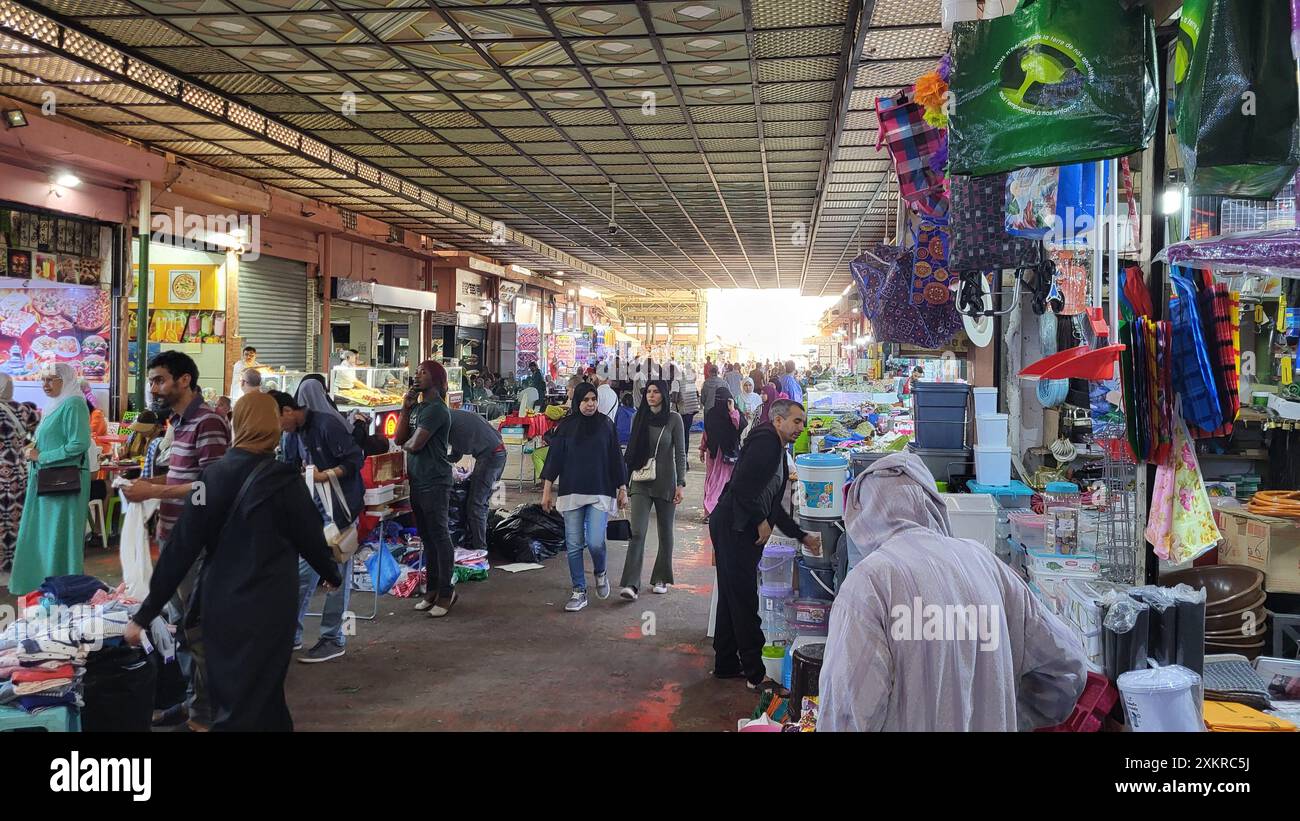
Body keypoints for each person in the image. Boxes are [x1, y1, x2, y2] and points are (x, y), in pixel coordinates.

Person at [819, 452, 1088, 731]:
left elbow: (846, 712)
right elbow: (1067, 666)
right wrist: (1006, 712)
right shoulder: (985, 563)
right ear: (932, 505)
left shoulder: (870, 583)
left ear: (862, 519)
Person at [123, 393, 342, 731]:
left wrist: (144, 614)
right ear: (272, 427)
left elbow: (180, 548)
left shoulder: (209, 480)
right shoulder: (287, 480)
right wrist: (331, 573)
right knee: (264, 695)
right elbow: (312, 540)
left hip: (221, 607)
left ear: (236, 424)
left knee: (232, 697)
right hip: (271, 608)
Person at [120, 350, 230, 730]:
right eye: (152, 381)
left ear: (184, 380)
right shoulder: (180, 422)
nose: (154, 388)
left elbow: (210, 488)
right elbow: (182, 477)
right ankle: (189, 702)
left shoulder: (209, 421)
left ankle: (205, 713)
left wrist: (155, 492)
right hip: (172, 536)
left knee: (198, 631)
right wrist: (148, 487)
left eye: (159, 380)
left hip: (195, 543)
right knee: (181, 628)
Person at [708, 399, 820, 689]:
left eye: (803, 423)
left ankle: (726, 663)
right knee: (744, 598)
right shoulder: (767, 443)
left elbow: (774, 506)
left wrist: (801, 535)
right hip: (734, 526)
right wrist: (759, 520)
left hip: (734, 524)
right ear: (778, 420)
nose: (801, 428)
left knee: (732, 596)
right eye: (796, 421)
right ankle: (756, 675)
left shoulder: (776, 449)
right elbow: (743, 486)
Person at [272, 382, 365, 664]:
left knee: (337, 577)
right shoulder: (291, 435)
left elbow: (355, 460)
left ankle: (333, 638)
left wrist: (328, 475)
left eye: (276, 420)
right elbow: (289, 468)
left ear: (288, 410)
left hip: (341, 512)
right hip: (312, 513)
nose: (277, 427)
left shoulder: (327, 424)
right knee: (301, 575)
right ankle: (292, 633)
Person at [540, 382, 628, 613]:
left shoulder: (606, 425)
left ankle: (600, 571)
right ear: (577, 402)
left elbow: (615, 458)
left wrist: (622, 488)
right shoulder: (566, 427)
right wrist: (547, 491)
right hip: (571, 492)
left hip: (600, 490)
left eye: (593, 399)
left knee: (595, 541)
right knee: (574, 544)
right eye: (585, 400)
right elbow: (554, 460)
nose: (590, 404)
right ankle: (579, 591)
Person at [7, 363, 90, 594]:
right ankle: (41, 585)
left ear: (66, 380)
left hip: (63, 482)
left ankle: (62, 588)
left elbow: (79, 443)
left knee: (59, 536)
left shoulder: (73, 404)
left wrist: (42, 455)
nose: (45, 384)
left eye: (51, 379)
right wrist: (35, 448)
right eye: (43, 379)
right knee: (43, 534)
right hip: (46, 479)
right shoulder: (56, 405)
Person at [396, 360, 458, 617]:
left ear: (435, 379)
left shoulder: (436, 410)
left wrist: (407, 442)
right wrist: (404, 408)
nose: (417, 376)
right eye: (417, 372)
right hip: (418, 479)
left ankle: (446, 592)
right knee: (427, 537)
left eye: (424, 372)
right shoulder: (418, 408)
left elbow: (414, 444)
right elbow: (400, 439)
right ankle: (431, 590)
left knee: (439, 535)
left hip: (435, 480)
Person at [619, 380, 685, 600]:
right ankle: (631, 583)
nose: (652, 395)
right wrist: (624, 482)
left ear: (664, 395)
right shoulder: (639, 417)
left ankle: (661, 577)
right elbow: (631, 450)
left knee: (665, 532)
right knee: (637, 532)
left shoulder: (674, 419)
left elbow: (680, 454)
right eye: (649, 392)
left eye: (656, 392)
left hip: (666, 482)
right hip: (640, 481)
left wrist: (681, 484)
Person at [448, 407, 506, 555]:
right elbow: (456, 455)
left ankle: (480, 549)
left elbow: (456, 454)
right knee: (480, 503)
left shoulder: (446, 421)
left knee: (476, 504)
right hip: (496, 453)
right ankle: (477, 542)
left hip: (491, 456)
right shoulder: (455, 416)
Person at [0, 374, 39, 573]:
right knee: (17, 519)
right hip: (17, 473)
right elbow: (38, 421)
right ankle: (16, 562)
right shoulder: (20, 409)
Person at [700, 386, 746, 523]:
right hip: (713, 454)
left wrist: (732, 411)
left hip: (728, 455)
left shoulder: (735, 412)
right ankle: (710, 511)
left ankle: (722, 511)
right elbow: (706, 433)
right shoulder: (711, 414)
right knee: (712, 482)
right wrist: (702, 449)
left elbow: (741, 426)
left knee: (726, 483)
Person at [673, 364, 701, 454]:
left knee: (681, 436)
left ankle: (682, 457)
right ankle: (685, 458)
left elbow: (675, 399)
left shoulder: (676, 381)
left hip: (683, 411)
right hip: (691, 410)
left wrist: (666, 397)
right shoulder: (689, 380)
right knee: (686, 434)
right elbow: (696, 394)